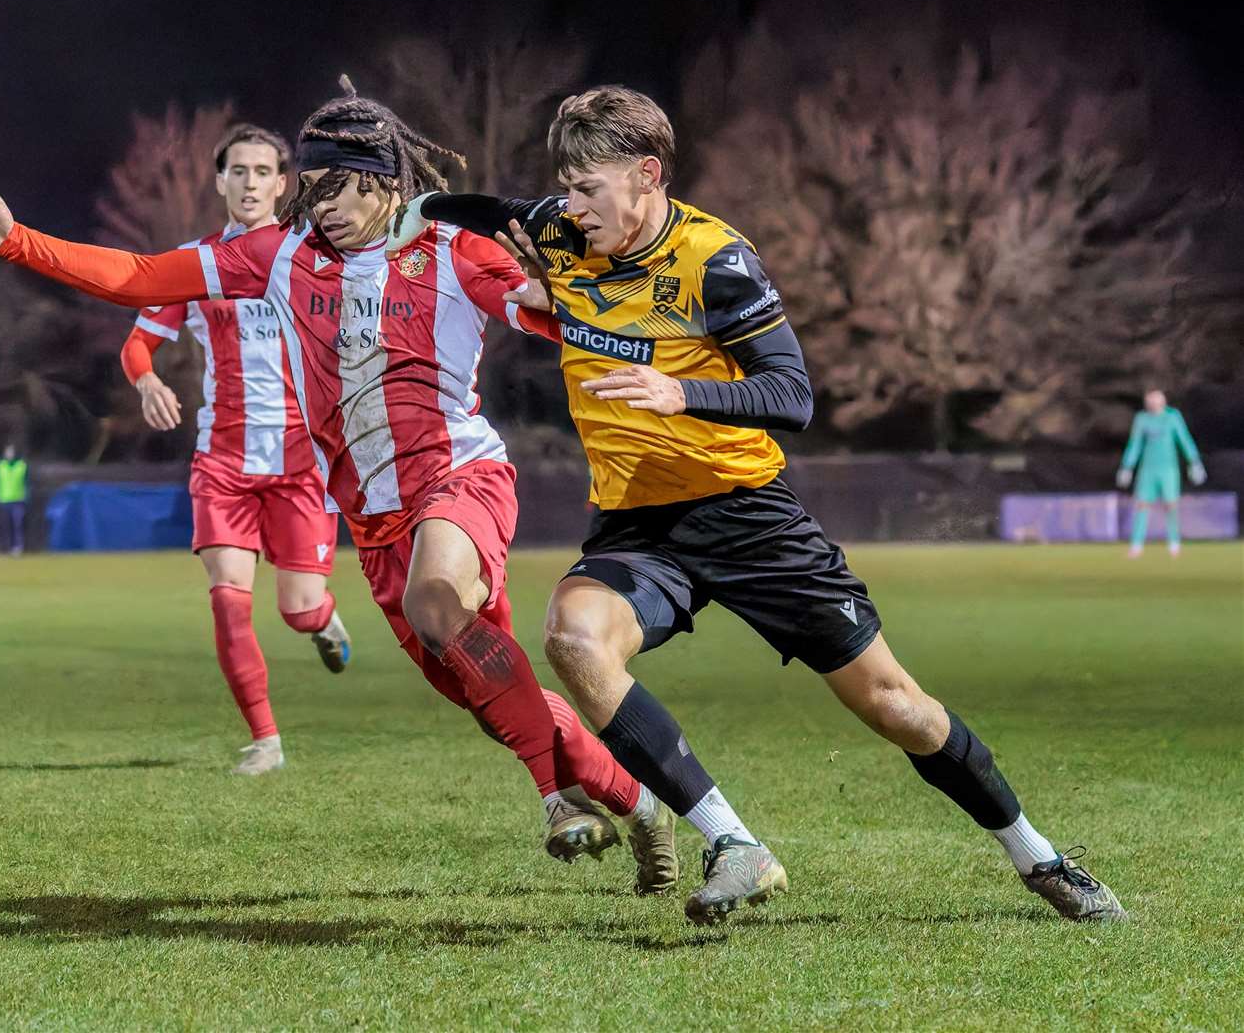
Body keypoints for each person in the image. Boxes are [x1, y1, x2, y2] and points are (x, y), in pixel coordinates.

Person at [0, 87, 677, 889]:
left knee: (438, 607)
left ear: (389, 181)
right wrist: (16, 242)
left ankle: (556, 798)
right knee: (482, 688)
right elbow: (141, 276)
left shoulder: (454, 248)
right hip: (374, 518)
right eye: (315, 188)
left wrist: (556, 291)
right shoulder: (277, 254)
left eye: (347, 187)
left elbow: (557, 319)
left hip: (460, 476)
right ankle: (641, 805)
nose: (330, 205)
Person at [403, 85, 1125, 925]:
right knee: (573, 638)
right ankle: (733, 843)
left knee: (898, 707)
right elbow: (483, 210)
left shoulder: (717, 260)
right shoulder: (561, 230)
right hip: (640, 525)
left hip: (748, 516)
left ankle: (1039, 858)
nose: (572, 206)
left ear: (648, 176)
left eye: (590, 187)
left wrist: (682, 392)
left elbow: (792, 394)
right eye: (565, 186)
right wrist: (411, 205)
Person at [121, 121, 353, 775]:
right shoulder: (198, 263)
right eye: (238, 172)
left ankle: (324, 621)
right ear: (220, 181)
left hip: (301, 465)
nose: (250, 183)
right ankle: (265, 740)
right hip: (221, 464)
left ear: (283, 184)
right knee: (228, 596)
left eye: (262, 173)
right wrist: (145, 380)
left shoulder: (314, 257)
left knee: (298, 609)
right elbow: (137, 342)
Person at [1117, 389, 1206, 558]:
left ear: (1163, 401)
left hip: (1168, 469)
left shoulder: (1172, 417)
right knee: (1142, 505)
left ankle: (1174, 544)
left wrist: (1194, 461)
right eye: (1150, 401)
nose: (1154, 404)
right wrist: (1127, 466)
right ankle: (1136, 545)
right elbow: (1134, 444)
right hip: (1148, 469)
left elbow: (1184, 439)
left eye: (1157, 401)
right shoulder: (1142, 419)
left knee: (1171, 505)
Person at [0, 445, 28, 555]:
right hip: (4, 500)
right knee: (6, 525)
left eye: (12, 452)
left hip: (18, 500)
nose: (10, 454)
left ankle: (18, 547)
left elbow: (28, 484)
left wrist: (26, 498)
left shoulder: (22, 466)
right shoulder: (0, 466)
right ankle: (7, 547)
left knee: (18, 524)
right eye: (8, 452)